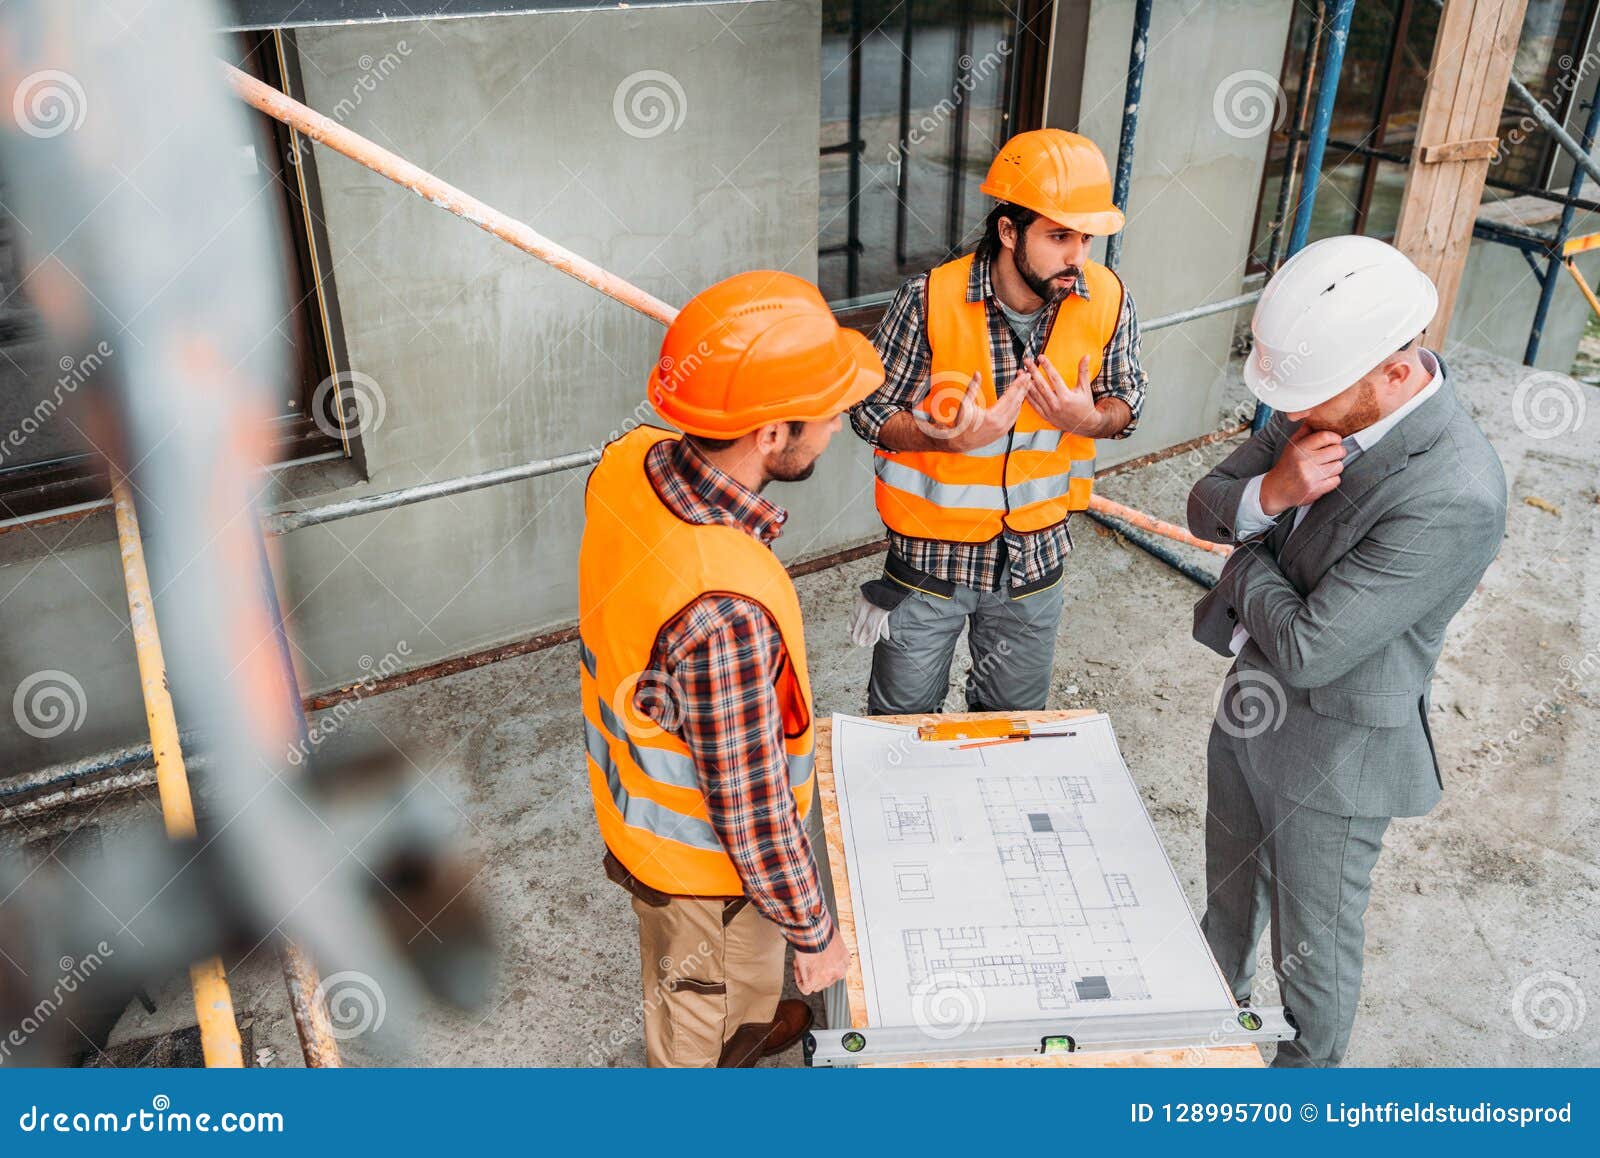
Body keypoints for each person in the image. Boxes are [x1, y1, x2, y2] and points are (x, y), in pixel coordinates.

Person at [1187, 235, 1507, 1067]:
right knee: (1227, 904)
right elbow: (1205, 504)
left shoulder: (1456, 492)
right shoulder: (1324, 394)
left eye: (1312, 402)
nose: (1294, 419)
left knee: (1313, 962)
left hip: (1337, 756)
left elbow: (1308, 649)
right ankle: (1201, 1042)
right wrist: (1270, 493)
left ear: (1395, 374)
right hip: (1249, 707)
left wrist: (1244, 550)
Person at [577, 271, 883, 1067]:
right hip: (700, 871)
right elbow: (751, 813)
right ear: (771, 435)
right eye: (828, 409)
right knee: (692, 1027)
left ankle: (747, 1027)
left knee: (738, 984)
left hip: (642, 812)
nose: (840, 422)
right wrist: (814, 934)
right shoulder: (724, 609)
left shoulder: (627, 461)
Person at [848, 128, 1148, 715]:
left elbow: (1127, 402)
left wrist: (1091, 418)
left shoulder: (1108, 299)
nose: (1077, 257)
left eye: (1085, 238)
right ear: (1009, 231)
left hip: (1035, 560)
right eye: (1059, 236)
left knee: (1013, 730)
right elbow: (867, 410)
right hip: (928, 564)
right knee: (901, 727)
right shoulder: (928, 300)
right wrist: (944, 437)